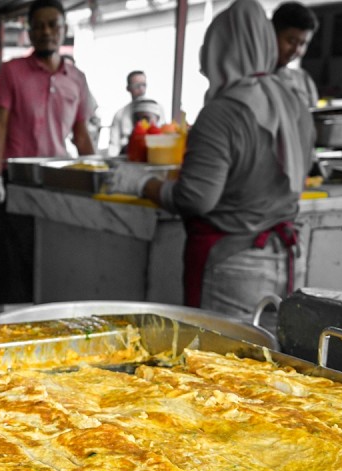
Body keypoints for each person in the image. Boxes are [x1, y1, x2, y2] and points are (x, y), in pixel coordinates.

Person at [111, 0, 315, 321]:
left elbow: (196, 199)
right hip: (287, 257)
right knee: (268, 366)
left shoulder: (223, 112)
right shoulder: (295, 104)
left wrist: (142, 184)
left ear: (221, 49)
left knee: (220, 366)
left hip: (233, 264)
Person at [0, 0, 95, 317]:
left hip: (58, 184)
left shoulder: (77, 78)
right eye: (39, 26)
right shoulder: (12, 72)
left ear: (63, 30)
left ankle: (48, 321)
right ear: (30, 31)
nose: (46, 32)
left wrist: (98, 174)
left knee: (53, 257)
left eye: (53, 25)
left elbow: (81, 134)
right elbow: (0, 127)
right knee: (9, 259)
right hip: (15, 183)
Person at [273, 1, 320, 107]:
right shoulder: (254, 79)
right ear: (273, 35)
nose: (296, 50)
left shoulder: (304, 80)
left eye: (303, 44)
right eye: (291, 41)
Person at [108, 71, 166, 156]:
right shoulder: (119, 114)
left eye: (144, 85)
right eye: (137, 85)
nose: (141, 89)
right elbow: (114, 145)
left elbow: (163, 135)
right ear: (128, 88)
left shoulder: (157, 108)